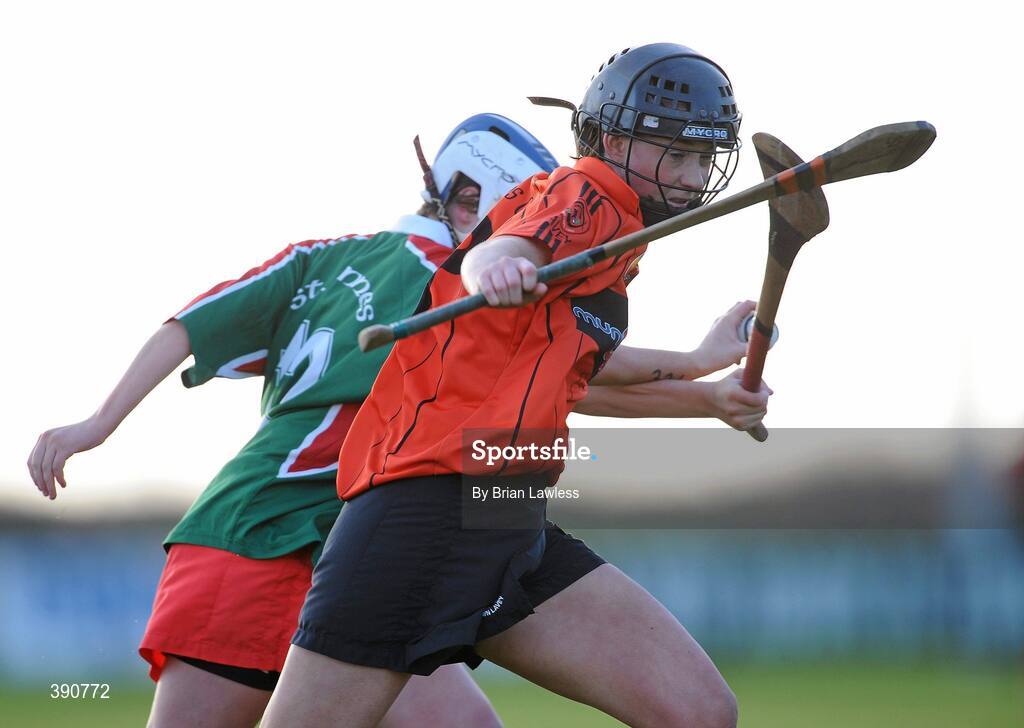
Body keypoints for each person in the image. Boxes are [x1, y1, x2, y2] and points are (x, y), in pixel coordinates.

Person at [263, 43, 763, 728]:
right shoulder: (587, 193)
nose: (689, 175)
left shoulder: (618, 249)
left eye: (702, 160)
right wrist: (496, 267)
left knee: (700, 710)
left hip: (503, 514)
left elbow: (585, 377)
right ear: (612, 138)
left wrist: (703, 380)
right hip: (424, 507)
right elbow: (507, 249)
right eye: (673, 153)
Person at [25, 114, 560, 728]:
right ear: (471, 199)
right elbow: (590, 367)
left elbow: (189, 326)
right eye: (521, 213)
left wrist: (95, 424)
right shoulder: (452, 284)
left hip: (342, 550)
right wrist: (689, 370)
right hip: (264, 540)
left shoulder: (316, 259)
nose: (527, 240)